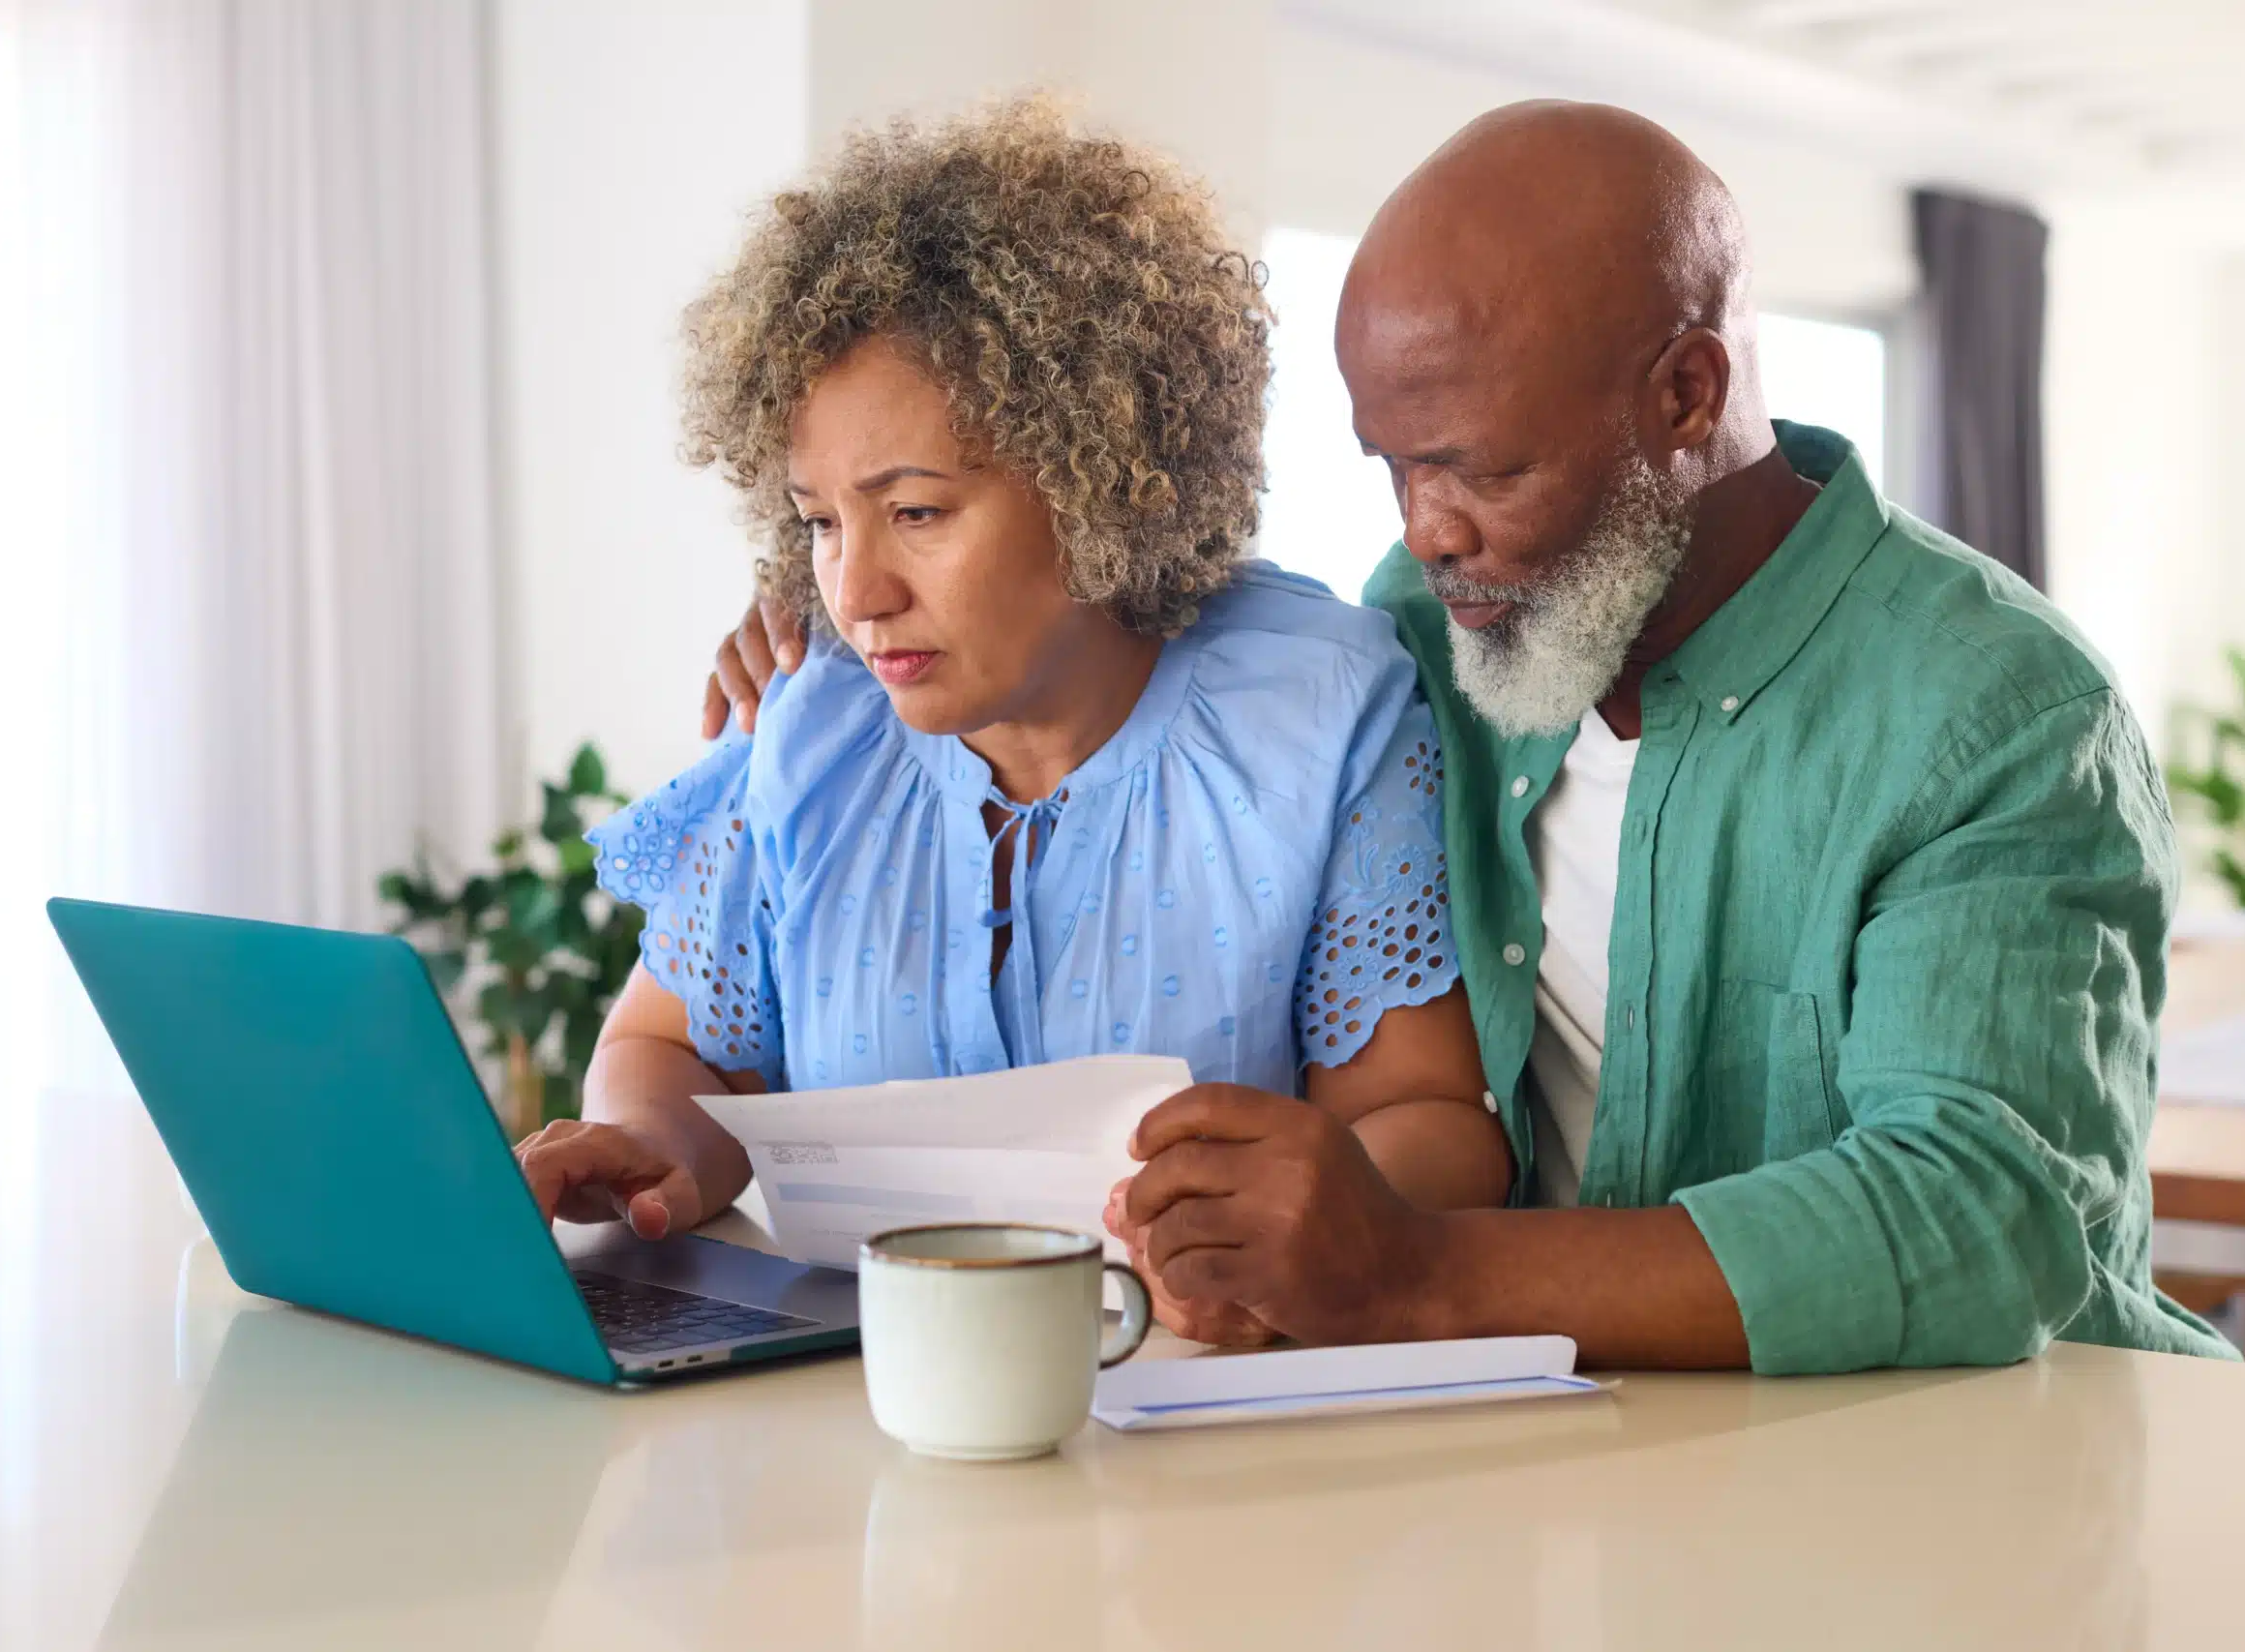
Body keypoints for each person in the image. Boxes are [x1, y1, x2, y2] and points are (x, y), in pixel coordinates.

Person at [713, 101, 2236, 1373]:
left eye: (1479, 469)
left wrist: (1415, 1269)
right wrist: (837, 645)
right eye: (1388, 466)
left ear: (1687, 393)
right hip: (1584, 1468)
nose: (1425, 530)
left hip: (1976, 1475)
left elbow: (1978, 1217)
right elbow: (1138, 630)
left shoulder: (2000, 714)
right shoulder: (1431, 625)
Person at [515, 101, 1510, 1341]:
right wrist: (650, 1147)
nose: (856, 593)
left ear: (1104, 477)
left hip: (1190, 1414)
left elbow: (1428, 1125)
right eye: (820, 521)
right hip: (856, 1411)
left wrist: (1290, 1243)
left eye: (916, 512)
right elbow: (675, 1049)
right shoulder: (813, 723)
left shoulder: (1317, 714)